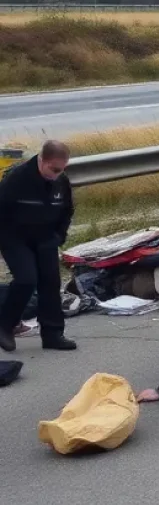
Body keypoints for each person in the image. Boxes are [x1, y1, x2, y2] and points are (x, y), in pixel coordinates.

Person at [0, 140, 76, 353]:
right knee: (26, 280)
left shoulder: (61, 182)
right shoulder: (17, 179)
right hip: (15, 238)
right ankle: (6, 325)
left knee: (50, 283)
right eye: (53, 169)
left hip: (46, 239)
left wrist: (58, 237)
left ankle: (53, 334)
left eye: (61, 170)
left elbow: (67, 211)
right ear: (42, 161)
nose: (57, 174)